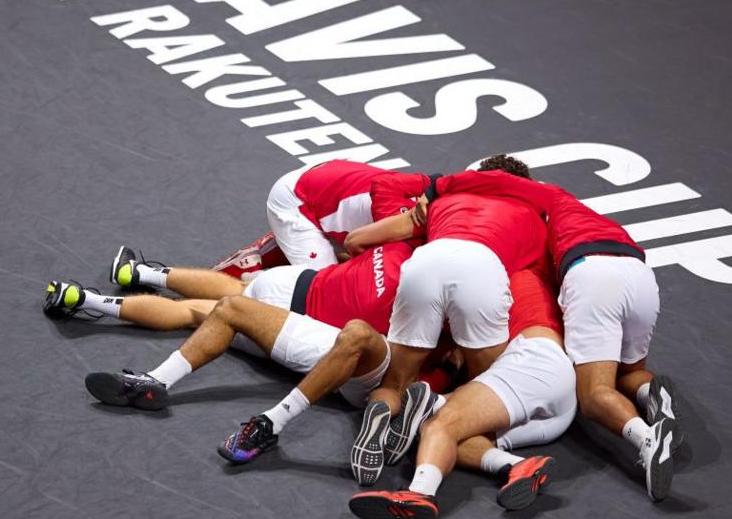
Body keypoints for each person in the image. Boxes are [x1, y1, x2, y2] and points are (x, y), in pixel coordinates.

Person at [417, 154, 682, 502]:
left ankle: (646, 437)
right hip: (639, 275)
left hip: (587, 279)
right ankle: (651, 397)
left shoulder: (533, 215)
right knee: (628, 373)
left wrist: (436, 186)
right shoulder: (565, 214)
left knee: (595, 395)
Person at [42, 242, 414, 465]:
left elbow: (352, 242)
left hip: (302, 313)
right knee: (223, 308)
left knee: (213, 305)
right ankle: (150, 375)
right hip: (309, 334)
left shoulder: (402, 243)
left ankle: (105, 289)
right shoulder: (436, 286)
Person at [341, 160, 549, 486]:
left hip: (426, 264)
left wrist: (361, 266)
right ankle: (433, 418)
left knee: (395, 382)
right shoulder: (536, 220)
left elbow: (355, 239)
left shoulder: (442, 202)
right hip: (482, 270)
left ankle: (382, 414)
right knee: (485, 385)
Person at [349, 262, 577, 519]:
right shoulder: (551, 285)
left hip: (533, 362)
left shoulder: (511, 276)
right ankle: (516, 466)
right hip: (562, 403)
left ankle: (419, 492)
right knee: (454, 433)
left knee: (441, 423)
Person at [265, 160, 419, 270]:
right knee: (322, 289)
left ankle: (285, 242)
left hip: (330, 176)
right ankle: (249, 281)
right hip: (296, 199)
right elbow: (354, 243)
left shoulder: (435, 199)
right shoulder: (400, 225)